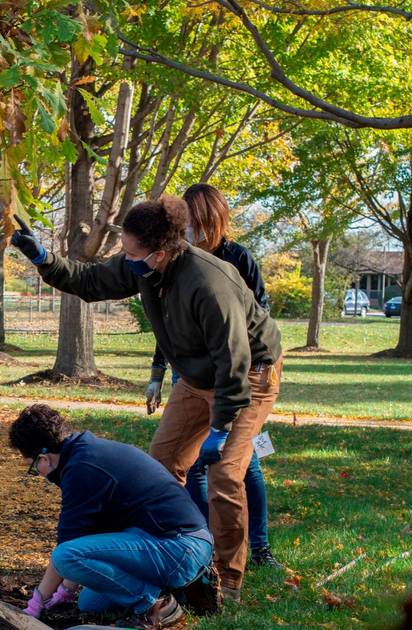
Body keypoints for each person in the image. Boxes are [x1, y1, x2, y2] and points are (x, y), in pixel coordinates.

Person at [12, 194, 282, 601]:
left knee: (225, 475)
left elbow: (234, 360)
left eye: (133, 253)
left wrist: (221, 427)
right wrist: (44, 258)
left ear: (161, 252)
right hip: (197, 375)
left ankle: (225, 581)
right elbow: (91, 281)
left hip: (248, 374)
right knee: (163, 463)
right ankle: (168, 554)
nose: (127, 258)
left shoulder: (209, 283)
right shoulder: (144, 266)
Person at [144, 184, 280, 569]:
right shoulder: (174, 259)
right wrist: (157, 372)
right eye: (188, 223)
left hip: (238, 374)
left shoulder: (237, 258)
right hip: (191, 374)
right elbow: (169, 324)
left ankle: (259, 547)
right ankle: (201, 540)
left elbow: (255, 323)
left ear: (217, 221)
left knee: (240, 464)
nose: (194, 232)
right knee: (190, 463)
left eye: (201, 223)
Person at [9, 404, 213, 628]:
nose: (38, 474)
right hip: (171, 542)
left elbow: (66, 551)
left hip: (180, 547)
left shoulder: (81, 470)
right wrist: (65, 591)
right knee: (90, 602)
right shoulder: (85, 453)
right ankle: (168, 590)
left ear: (44, 458)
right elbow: (87, 538)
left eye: (33, 467)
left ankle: (157, 604)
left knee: (64, 556)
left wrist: (36, 603)